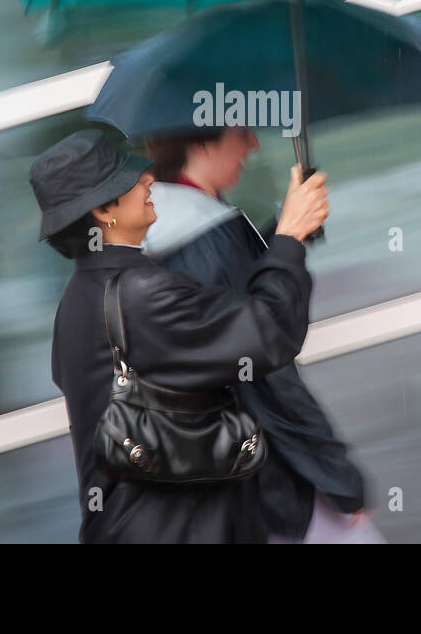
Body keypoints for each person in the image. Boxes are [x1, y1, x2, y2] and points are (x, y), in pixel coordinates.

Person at [30, 129, 329, 543]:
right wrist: (290, 238)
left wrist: (279, 238)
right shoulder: (139, 294)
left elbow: (204, 329)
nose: (149, 180)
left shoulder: (80, 299)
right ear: (103, 211)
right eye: (131, 180)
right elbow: (267, 331)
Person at [143, 127, 384, 543]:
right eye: (240, 132)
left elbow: (241, 315)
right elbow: (266, 367)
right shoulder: (203, 239)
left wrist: (287, 236)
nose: (253, 144)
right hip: (278, 485)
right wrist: (339, 477)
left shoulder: (180, 227)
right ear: (200, 142)